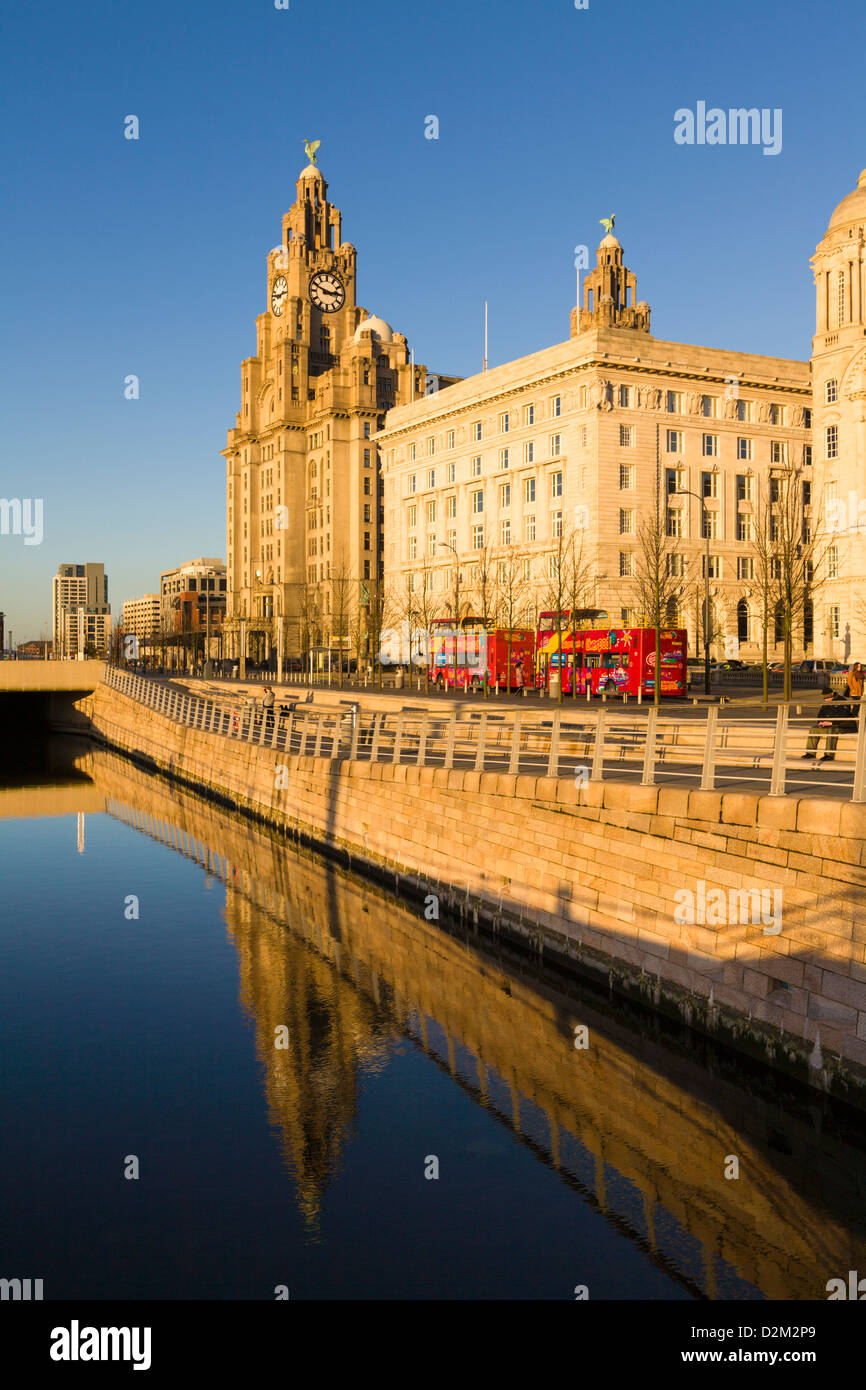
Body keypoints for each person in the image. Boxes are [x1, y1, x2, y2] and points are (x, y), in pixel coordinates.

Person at [801, 690, 858, 762]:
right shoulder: (826, 703)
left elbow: (843, 716)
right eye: (825, 699)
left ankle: (829, 755)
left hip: (843, 725)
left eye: (827, 698)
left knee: (832, 730)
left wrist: (831, 723)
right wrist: (821, 722)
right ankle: (810, 753)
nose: (826, 700)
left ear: (832, 696)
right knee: (814, 729)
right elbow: (820, 715)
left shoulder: (842, 701)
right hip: (828, 725)